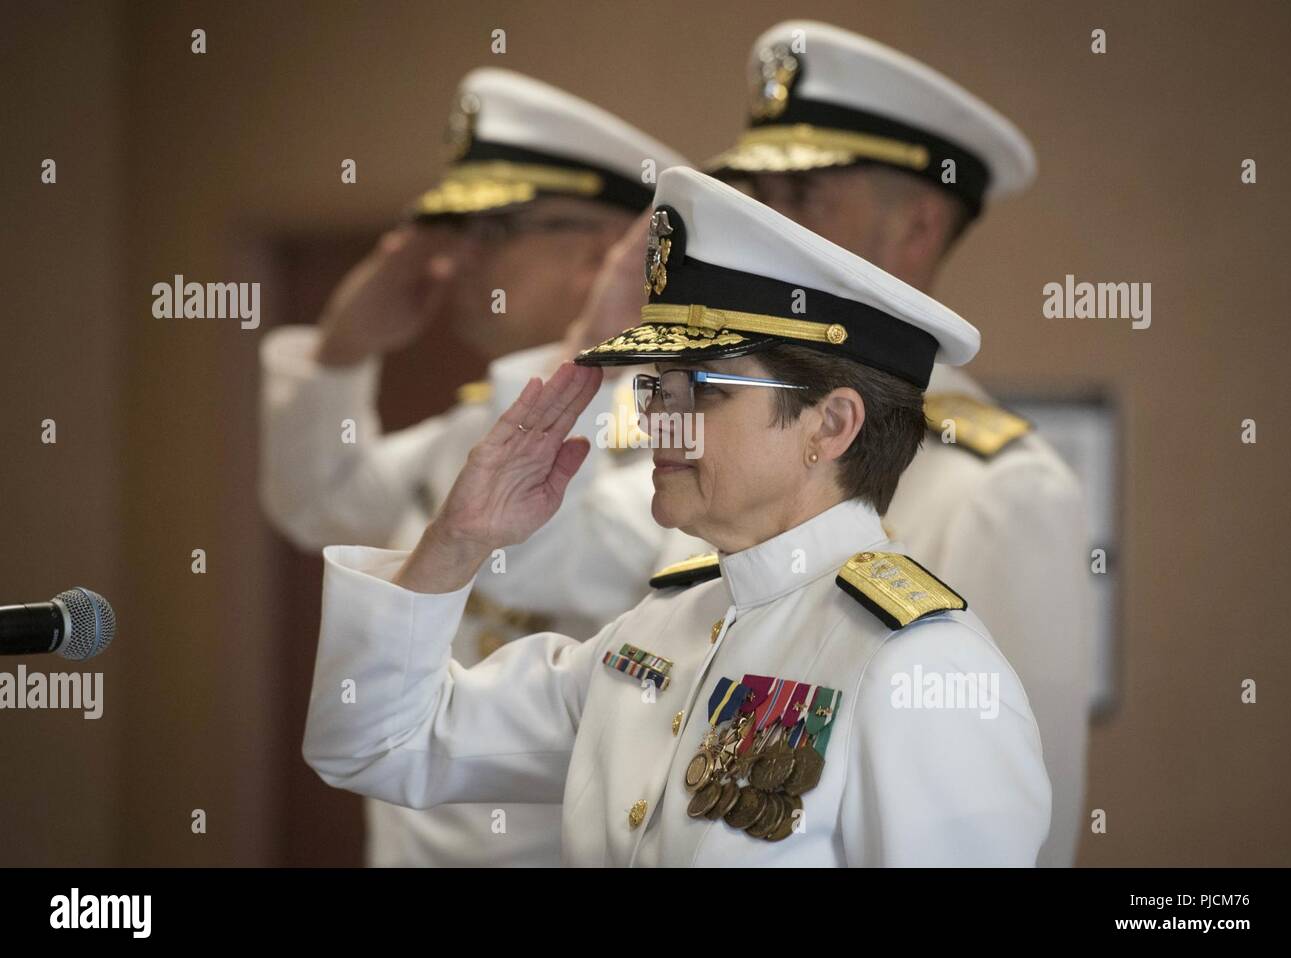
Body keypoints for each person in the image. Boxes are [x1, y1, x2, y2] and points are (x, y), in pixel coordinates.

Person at [302, 167, 1051, 866]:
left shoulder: (920, 668)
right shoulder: (657, 633)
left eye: (703, 388)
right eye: (658, 387)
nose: (662, 418)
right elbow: (377, 743)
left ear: (830, 425)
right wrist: (458, 540)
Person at [259, 67, 689, 866]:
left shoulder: (672, 430)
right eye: (454, 237)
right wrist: (341, 354)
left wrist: (587, 349)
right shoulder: (469, 421)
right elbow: (319, 506)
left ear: (602, 251)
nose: (455, 265)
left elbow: (534, 559)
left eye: (492, 233)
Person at [705, 22, 1091, 867]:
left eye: (802, 198)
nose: (764, 226)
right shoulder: (732, 428)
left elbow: (1014, 825)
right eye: (755, 194)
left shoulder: (999, 492)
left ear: (916, 231)